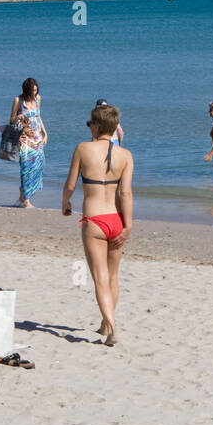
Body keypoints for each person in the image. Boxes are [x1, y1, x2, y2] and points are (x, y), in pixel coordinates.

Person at [62, 104, 133, 347]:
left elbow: (70, 184)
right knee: (113, 277)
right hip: (116, 220)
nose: (89, 127)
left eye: (90, 123)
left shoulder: (83, 148)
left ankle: (112, 328)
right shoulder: (126, 155)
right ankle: (105, 322)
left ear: (96, 125)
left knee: (100, 279)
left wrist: (65, 202)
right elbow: (126, 194)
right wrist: (128, 225)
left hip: (94, 220)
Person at [11, 77, 47, 208]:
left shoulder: (38, 99)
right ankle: (26, 199)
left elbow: (38, 116)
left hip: (37, 137)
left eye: (36, 90)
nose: (34, 93)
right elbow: (11, 120)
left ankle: (23, 194)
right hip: (24, 137)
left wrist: (45, 132)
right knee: (26, 167)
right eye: (32, 91)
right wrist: (18, 117)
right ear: (26, 90)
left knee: (39, 165)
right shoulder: (18, 100)